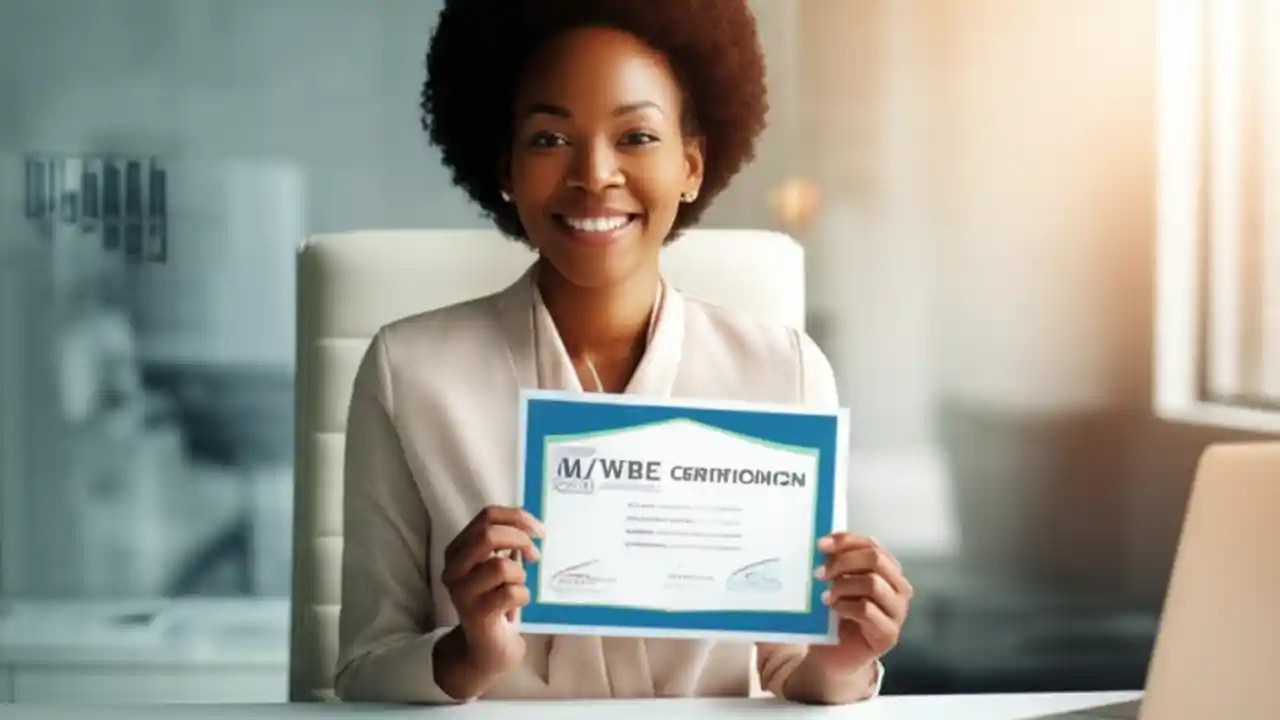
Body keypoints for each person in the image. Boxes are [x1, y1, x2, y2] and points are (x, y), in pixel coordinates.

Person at [335, 0, 914, 705]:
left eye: (636, 136)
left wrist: (848, 655)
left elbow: (791, 670)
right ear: (506, 168)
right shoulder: (411, 372)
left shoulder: (783, 372)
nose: (594, 174)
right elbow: (364, 669)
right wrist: (468, 651)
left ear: (691, 167)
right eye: (549, 139)